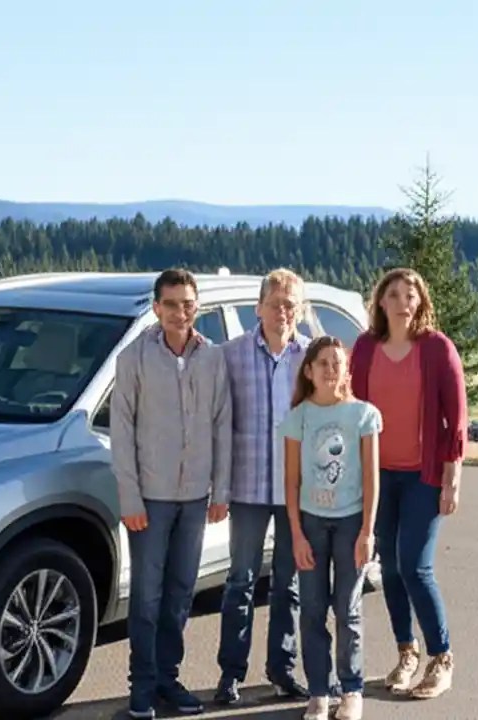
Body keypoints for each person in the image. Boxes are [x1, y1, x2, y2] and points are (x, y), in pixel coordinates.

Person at [111, 268, 233, 719]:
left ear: (195, 306)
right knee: (145, 597)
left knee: (181, 592)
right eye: (171, 304)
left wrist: (220, 489)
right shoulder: (134, 360)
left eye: (188, 303)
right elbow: (122, 434)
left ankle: (169, 679)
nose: (180, 312)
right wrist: (131, 499)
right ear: (156, 307)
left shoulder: (213, 358)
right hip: (150, 500)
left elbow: (222, 426)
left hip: (195, 498)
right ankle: (140, 688)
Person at [348, 267, 466, 700]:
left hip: (424, 475)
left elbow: (456, 420)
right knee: (391, 567)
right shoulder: (364, 349)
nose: (402, 301)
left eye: (409, 294)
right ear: (381, 302)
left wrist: (452, 480)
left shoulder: (437, 349)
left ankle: (442, 658)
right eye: (393, 294)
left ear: (420, 302)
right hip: (380, 476)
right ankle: (406, 654)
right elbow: (352, 411)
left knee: (415, 565)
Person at [214, 268, 312, 705]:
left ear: (299, 310)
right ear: (259, 308)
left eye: (290, 305)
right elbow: (217, 423)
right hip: (249, 487)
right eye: (275, 304)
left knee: (288, 586)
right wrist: (219, 487)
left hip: (296, 492)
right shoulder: (231, 355)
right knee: (240, 582)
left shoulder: (310, 359)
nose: (282, 312)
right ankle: (231, 673)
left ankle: (282, 670)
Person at [279, 335, 381, 720]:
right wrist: (297, 533)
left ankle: (351, 690)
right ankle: (319, 692)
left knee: (347, 608)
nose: (330, 369)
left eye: (337, 362)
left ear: (346, 370)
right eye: (322, 363)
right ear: (309, 370)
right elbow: (291, 482)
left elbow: (372, 480)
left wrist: (367, 531)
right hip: (311, 524)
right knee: (312, 610)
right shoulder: (299, 417)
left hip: (351, 522)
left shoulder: (363, 415)